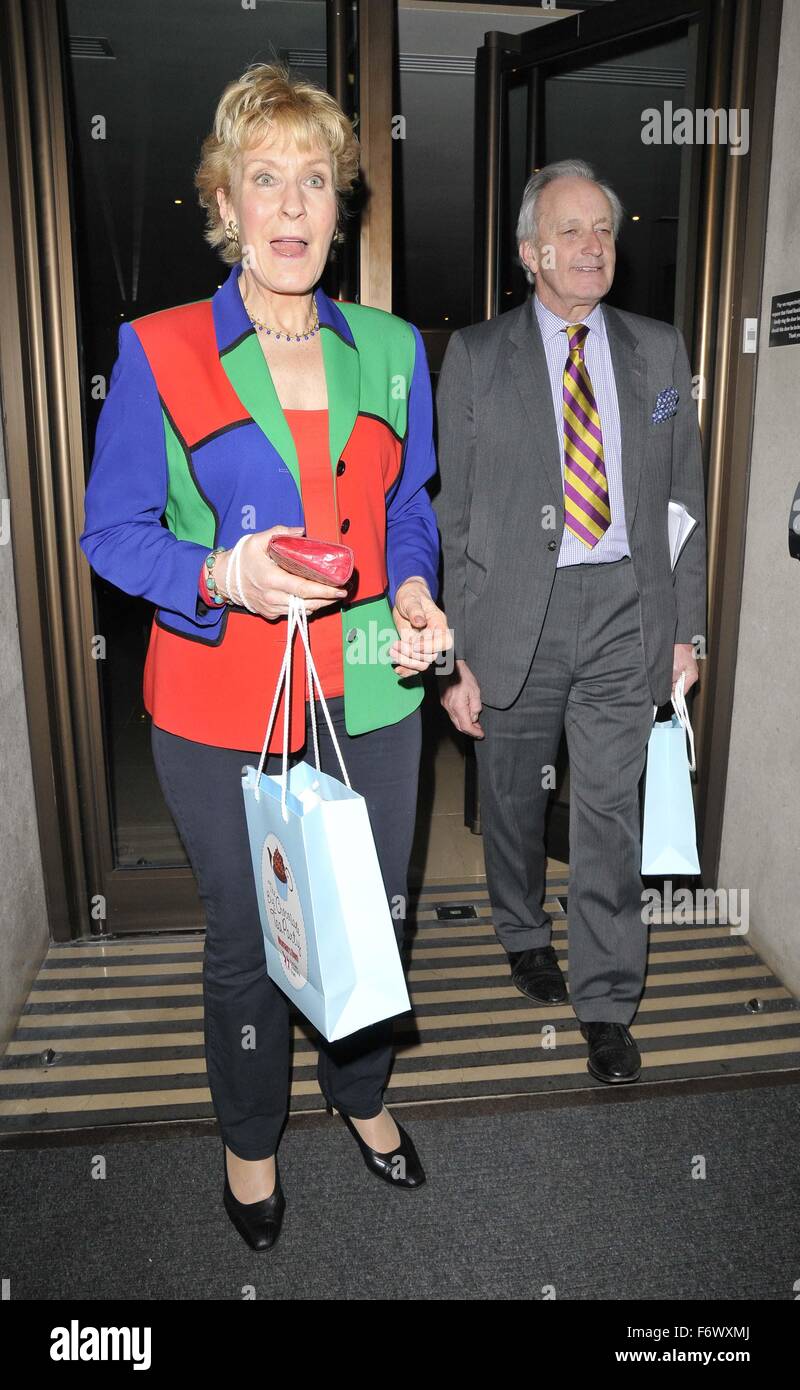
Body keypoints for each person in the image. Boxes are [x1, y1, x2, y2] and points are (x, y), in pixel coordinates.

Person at [79, 62, 450, 1251]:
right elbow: (111, 531)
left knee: (373, 915)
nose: (290, 206)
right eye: (262, 180)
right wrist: (216, 574)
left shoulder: (392, 348)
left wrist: (413, 584)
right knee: (253, 936)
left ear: (341, 206)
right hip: (218, 696)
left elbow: (408, 504)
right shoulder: (159, 348)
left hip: (376, 687)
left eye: (313, 182)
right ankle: (250, 1141)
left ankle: (359, 1094)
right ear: (224, 204)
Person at [434, 158, 707, 1087]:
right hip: (520, 611)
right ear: (529, 252)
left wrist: (686, 629)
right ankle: (519, 926)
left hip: (628, 606)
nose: (595, 246)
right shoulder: (475, 356)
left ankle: (605, 999)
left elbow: (683, 494)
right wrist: (456, 658)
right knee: (510, 795)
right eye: (573, 231)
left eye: (606, 229)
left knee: (607, 812)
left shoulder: (660, 353)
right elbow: (456, 518)